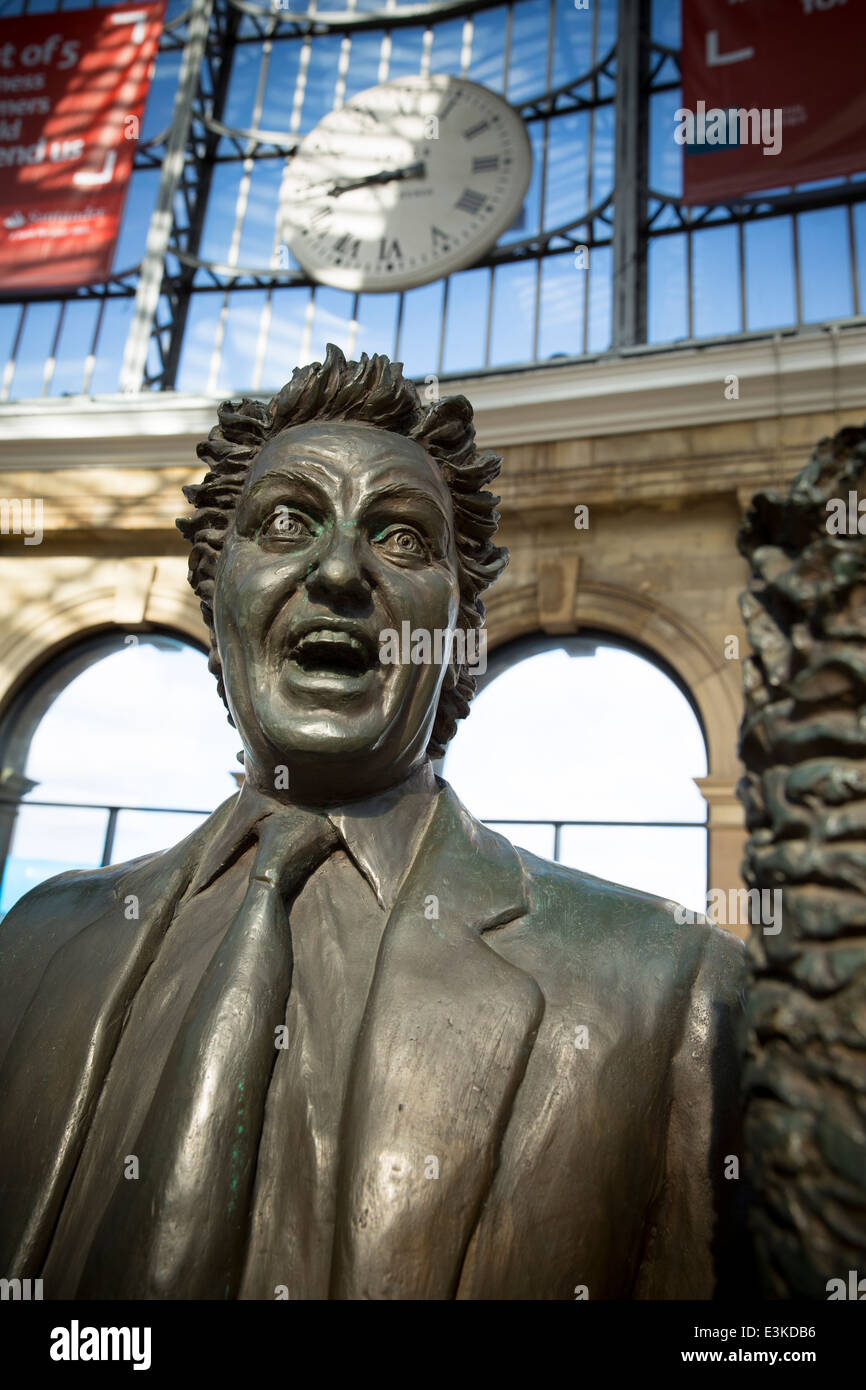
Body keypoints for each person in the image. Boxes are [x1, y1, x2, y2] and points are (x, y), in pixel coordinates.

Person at [0, 345, 745, 1299]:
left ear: (459, 633)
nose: (339, 570)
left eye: (401, 538)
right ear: (213, 594)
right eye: (285, 522)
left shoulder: (670, 991)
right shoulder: (34, 943)